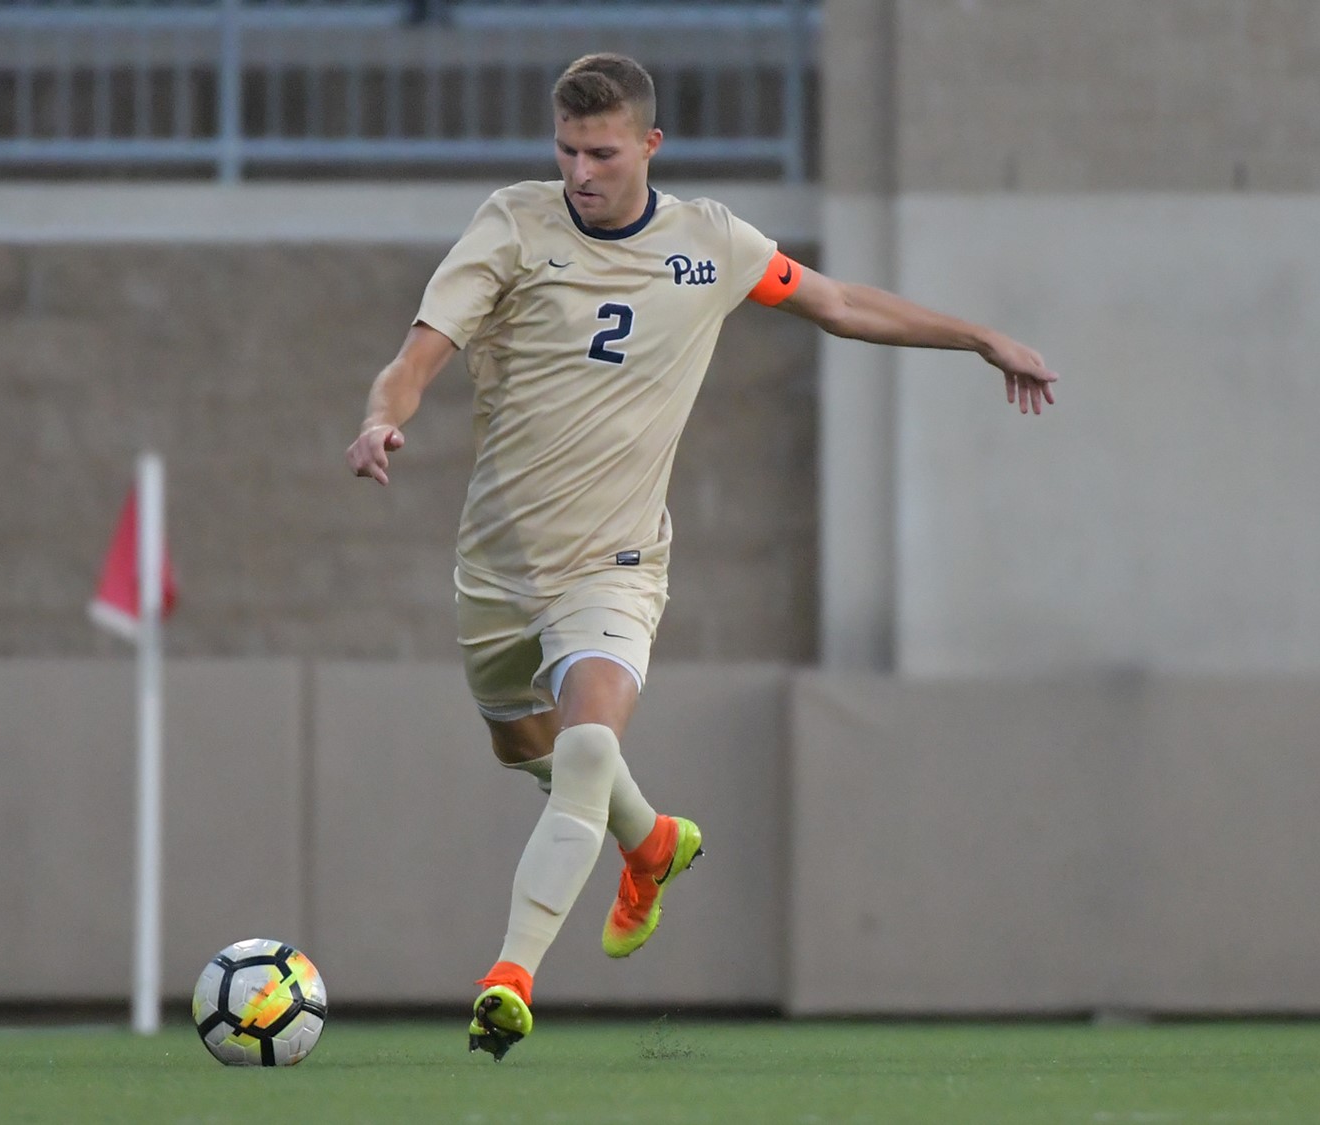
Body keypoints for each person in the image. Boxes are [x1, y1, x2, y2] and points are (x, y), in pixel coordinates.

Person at [344, 52, 1058, 1060]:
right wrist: (380, 420)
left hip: (617, 563)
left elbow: (840, 305)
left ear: (648, 145)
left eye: (599, 151)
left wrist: (978, 336)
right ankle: (648, 844)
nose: (579, 171)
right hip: (497, 567)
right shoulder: (510, 225)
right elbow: (416, 355)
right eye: (565, 150)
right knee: (524, 751)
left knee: (588, 745)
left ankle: (508, 978)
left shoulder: (710, 244)